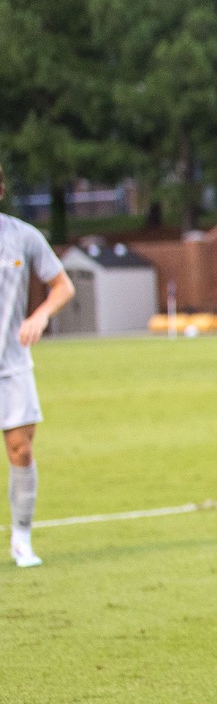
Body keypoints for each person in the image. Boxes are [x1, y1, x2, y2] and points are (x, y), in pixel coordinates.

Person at [0, 161, 77, 568]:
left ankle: (22, 539)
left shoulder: (22, 236)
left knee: (21, 450)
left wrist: (41, 315)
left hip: (11, 364)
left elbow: (63, 286)